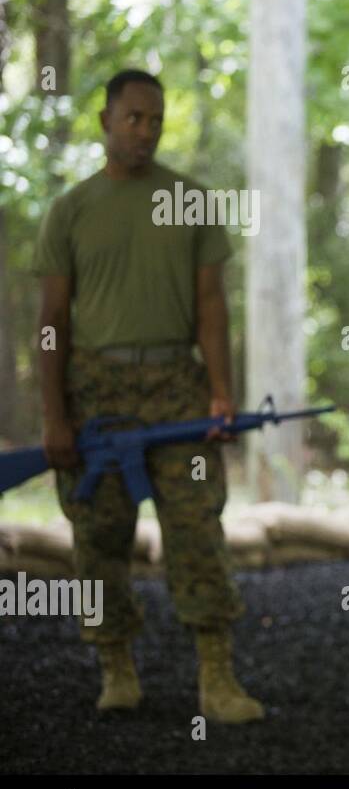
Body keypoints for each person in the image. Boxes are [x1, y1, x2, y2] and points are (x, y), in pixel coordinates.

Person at [34, 69, 263, 724]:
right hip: (96, 392)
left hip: (178, 389)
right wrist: (54, 416)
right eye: (133, 118)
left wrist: (222, 393)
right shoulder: (70, 211)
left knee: (196, 527)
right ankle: (116, 667)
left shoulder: (192, 201)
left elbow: (212, 306)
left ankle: (216, 678)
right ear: (104, 119)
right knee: (99, 534)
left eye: (156, 120)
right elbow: (50, 322)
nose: (146, 131)